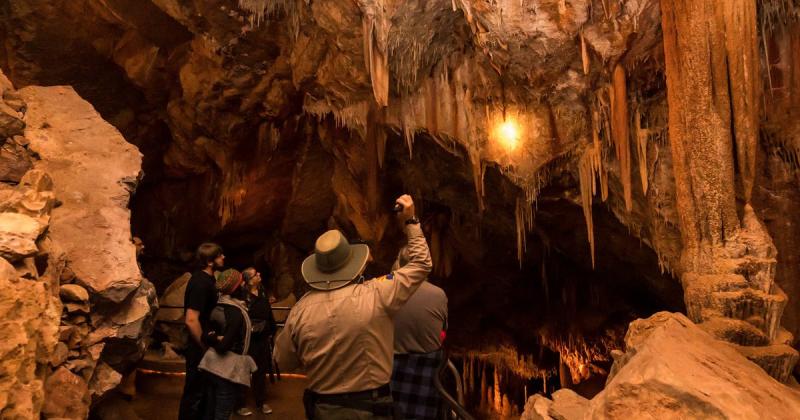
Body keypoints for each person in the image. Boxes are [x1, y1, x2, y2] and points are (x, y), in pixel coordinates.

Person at [275, 194, 432, 420]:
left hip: (324, 408)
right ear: (353, 266)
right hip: (371, 407)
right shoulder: (377, 294)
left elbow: (282, 360)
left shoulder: (300, 309)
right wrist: (411, 220)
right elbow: (421, 263)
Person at [390, 246, 448, 420]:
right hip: (427, 375)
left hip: (392, 369)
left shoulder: (385, 291)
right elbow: (443, 333)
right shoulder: (439, 295)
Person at [179, 242, 224, 420]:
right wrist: (204, 347)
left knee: (206, 394)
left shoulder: (210, 280)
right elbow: (191, 319)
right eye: (220, 255)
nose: (223, 257)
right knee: (195, 394)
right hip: (200, 348)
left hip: (207, 344)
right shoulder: (200, 282)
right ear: (210, 261)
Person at [204, 268, 251, 420]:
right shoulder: (235, 311)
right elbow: (224, 346)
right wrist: (219, 340)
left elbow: (206, 335)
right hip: (226, 369)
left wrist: (214, 338)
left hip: (211, 366)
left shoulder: (218, 305)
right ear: (235, 288)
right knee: (223, 413)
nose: (245, 285)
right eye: (242, 283)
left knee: (210, 409)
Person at [235, 267, 278, 416]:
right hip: (248, 339)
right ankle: (240, 404)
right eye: (255, 274)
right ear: (249, 280)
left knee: (260, 372)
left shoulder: (263, 292)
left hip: (263, 339)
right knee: (244, 371)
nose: (259, 274)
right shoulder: (242, 296)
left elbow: (268, 314)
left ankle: (261, 402)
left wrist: (272, 330)